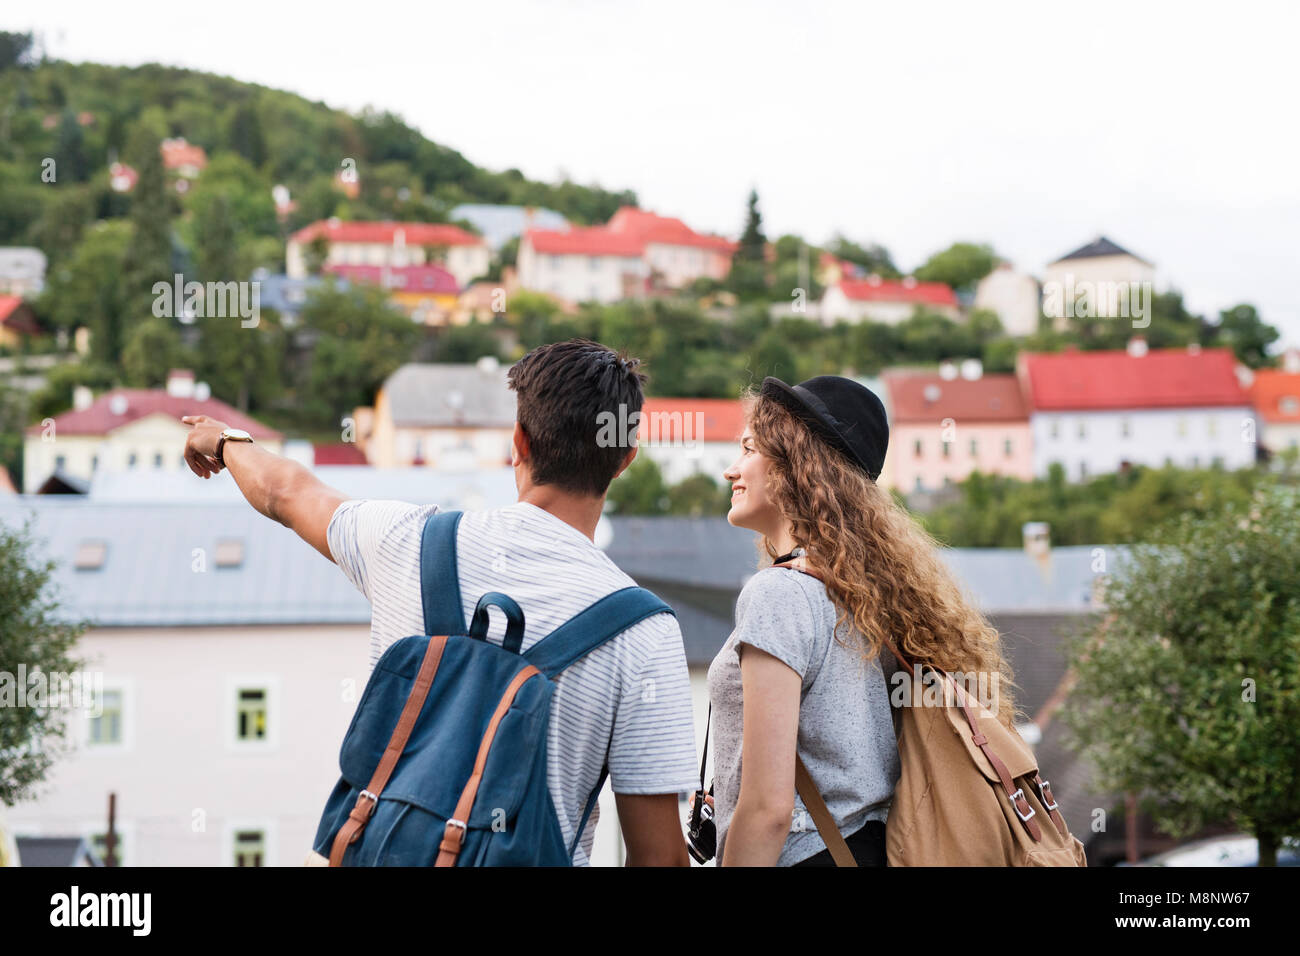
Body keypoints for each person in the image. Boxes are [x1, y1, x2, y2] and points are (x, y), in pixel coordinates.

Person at [182, 339, 699, 866]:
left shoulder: (407, 541)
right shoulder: (643, 631)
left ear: (518, 441)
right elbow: (658, 858)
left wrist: (224, 441)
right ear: (625, 459)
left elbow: (287, 493)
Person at [706, 375, 1020, 866]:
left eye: (748, 449)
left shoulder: (779, 594)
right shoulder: (868, 593)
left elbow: (769, 810)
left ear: (794, 464)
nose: (731, 470)